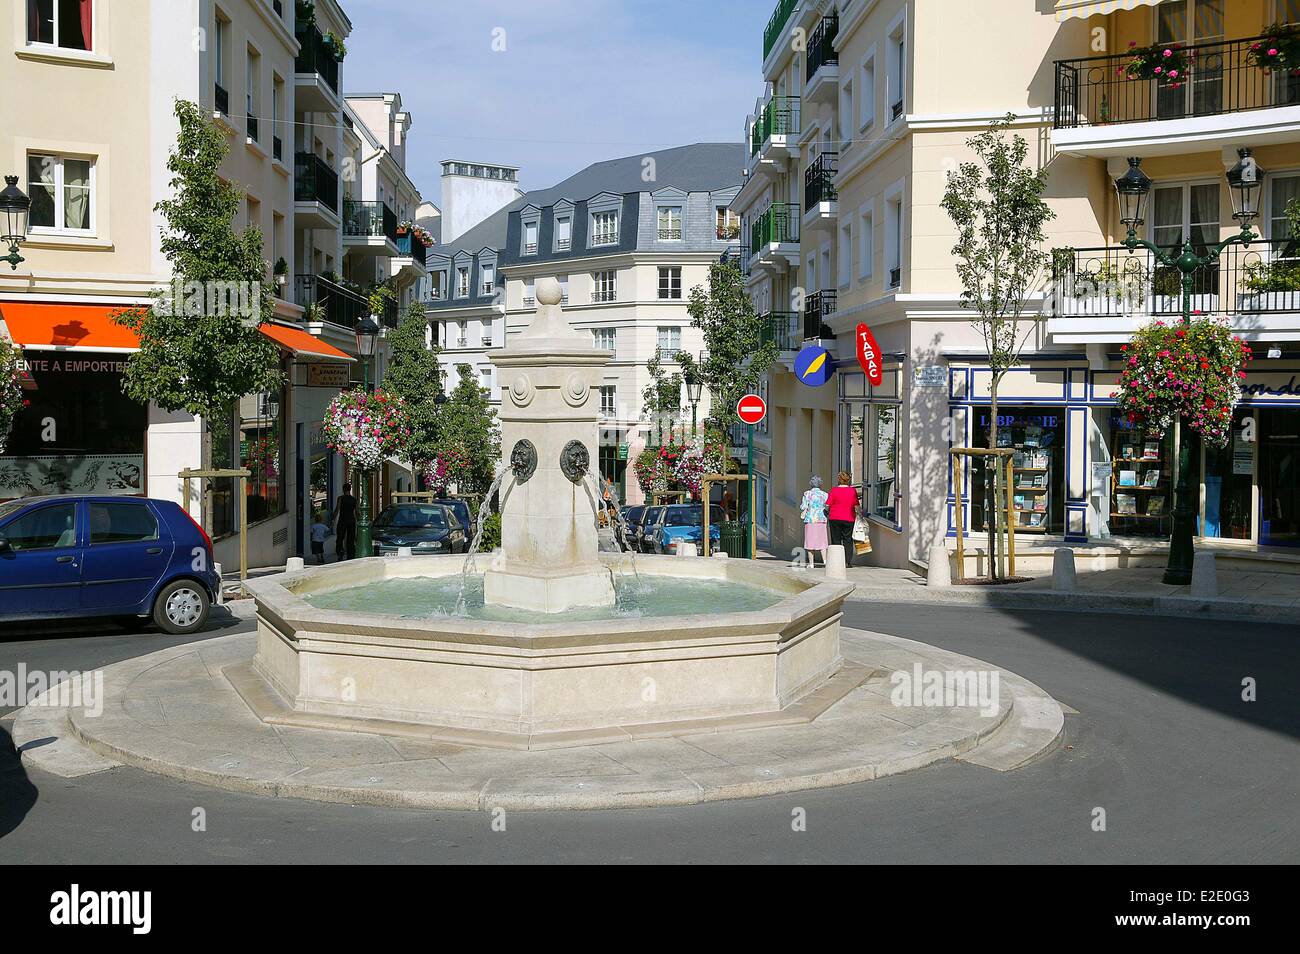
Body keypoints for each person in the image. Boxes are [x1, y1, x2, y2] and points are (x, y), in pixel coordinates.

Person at [826, 471, 862, 568]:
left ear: (839, 480)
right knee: (848, 540)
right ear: (848, 480)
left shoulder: (834, 490)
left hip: (835, 518)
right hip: (849, 518)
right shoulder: (852, 491)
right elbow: (856, 505)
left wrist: (826, 512)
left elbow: (827, 505)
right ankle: (847, 562)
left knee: (836, 540)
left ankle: (836, 561)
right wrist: (860, 516)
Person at [799, 475, 830, 568]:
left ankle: (811, 563)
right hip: (821, 519)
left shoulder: (807, 494)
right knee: (823, 541)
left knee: (810, 541)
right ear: (820, 484)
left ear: (811, 484)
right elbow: (827, 506)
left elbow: (803, 507)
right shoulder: (825, 494)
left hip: (810, 519)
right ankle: (825, 561)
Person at [331, 482, 357, 560]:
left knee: (340, 537)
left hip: (343, 520)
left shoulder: (340, 498)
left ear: (343, 489)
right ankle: (350, 554)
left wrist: (333, 519)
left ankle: (340, 551)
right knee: (350, 538)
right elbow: (357, 511)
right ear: (350, 489)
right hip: (352, 520)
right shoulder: (354, 499)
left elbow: (337, 509)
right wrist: (358, 521)